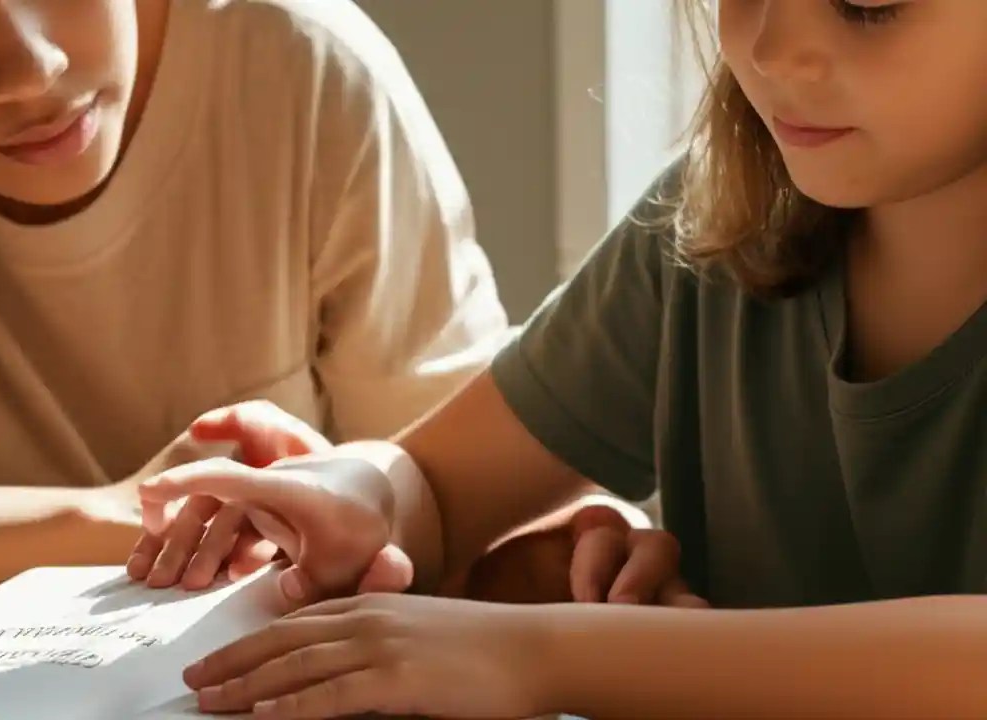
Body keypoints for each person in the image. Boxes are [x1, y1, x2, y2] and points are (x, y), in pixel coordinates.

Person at [136, 0, 987, 717]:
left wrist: (545, 654)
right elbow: (436, 485)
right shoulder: (713, 225)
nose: (767, 48)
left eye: (870, 2)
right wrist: (354, 494)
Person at [0, 0, 551, 643]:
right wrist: (110, 525)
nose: (32, 69)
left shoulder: (296, 63)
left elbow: (461, 486)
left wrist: (567, 551)